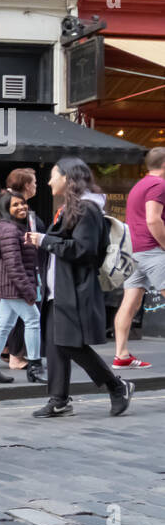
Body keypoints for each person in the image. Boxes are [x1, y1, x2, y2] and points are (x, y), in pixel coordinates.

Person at [28, 158, 134, 418]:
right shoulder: (70, 209)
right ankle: (59, 399)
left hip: (74, 289)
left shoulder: (88, 210)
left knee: (70, 344)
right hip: (59, 289)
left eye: (53, 175)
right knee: (56, 345)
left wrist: (44, 241)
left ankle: (117, 385)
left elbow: (84, 250)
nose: (49, 180)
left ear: (67, 178)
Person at [0, 190, 45, 384]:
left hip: (7, 286)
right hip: (14, 287)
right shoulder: (9, 230)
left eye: (23, 203)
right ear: (6, 209)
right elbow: (14, 265)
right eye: (15, 205)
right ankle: (34, 366)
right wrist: (28, 291)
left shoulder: (10, 227)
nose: (21, 207)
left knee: (4, 324)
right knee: (33, 319)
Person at [113, 146, 165, 369]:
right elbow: (154, 219)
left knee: (130, 303)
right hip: (153, 250)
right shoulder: (160, 185)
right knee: (130, 303)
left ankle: (121, 355)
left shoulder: (139, 185)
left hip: (134, 252)